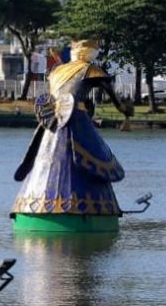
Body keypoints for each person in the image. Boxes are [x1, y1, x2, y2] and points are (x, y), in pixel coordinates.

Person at [12, 38, 133, 216]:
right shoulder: (91, 70)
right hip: (75, 120)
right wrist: (125, 110)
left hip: (52, 122)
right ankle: (85, 209)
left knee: (46, 158)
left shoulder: (57, 71)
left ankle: (34, 205)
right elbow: (113, 96)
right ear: (92, 52)